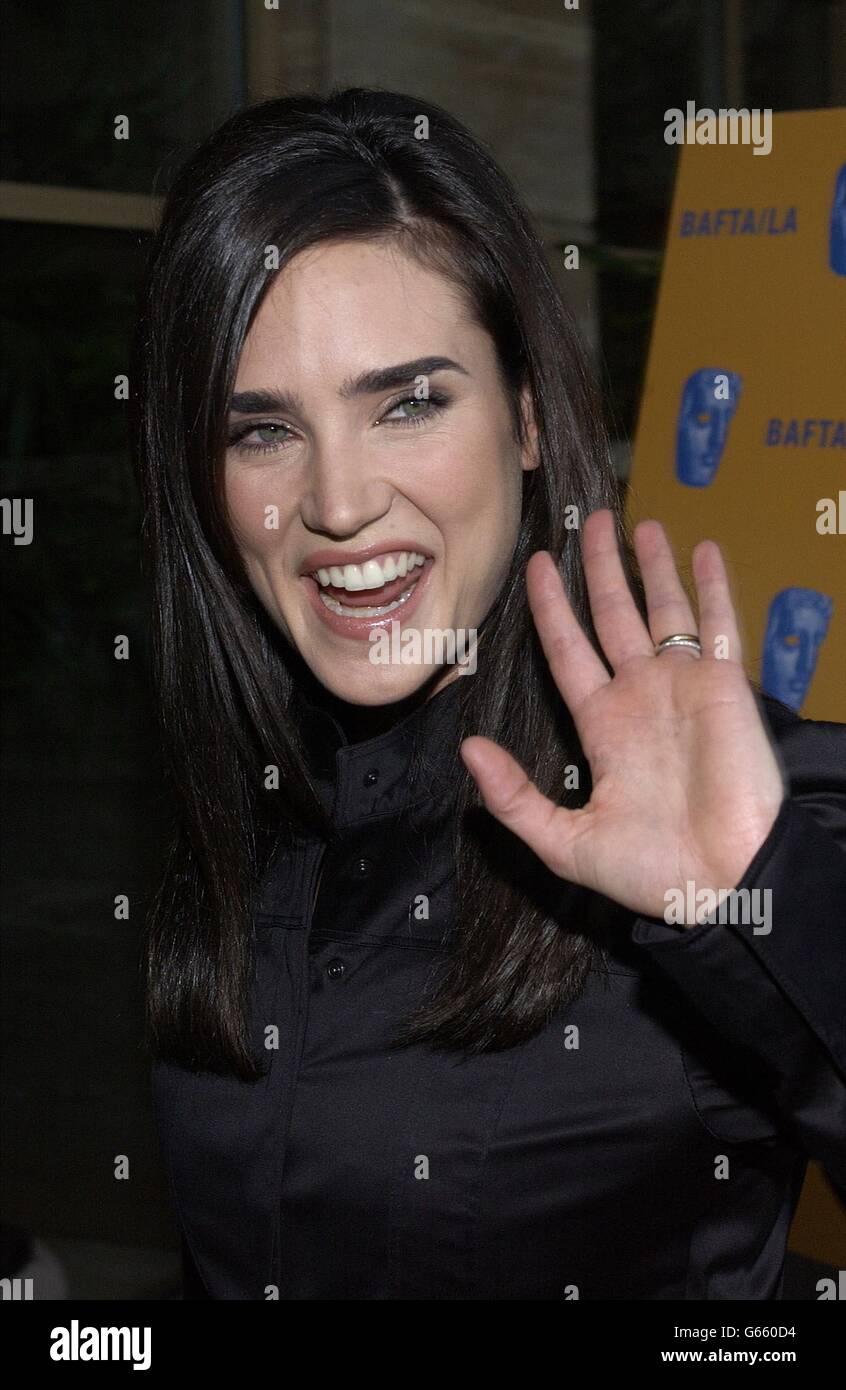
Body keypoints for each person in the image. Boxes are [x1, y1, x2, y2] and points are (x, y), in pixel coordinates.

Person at [128, 87, 846, 1301]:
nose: (339, 501)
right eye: (262, 431)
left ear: (523, 417)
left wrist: (755, 895)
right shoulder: (248, 802)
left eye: (408, 401)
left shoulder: (727, 802)